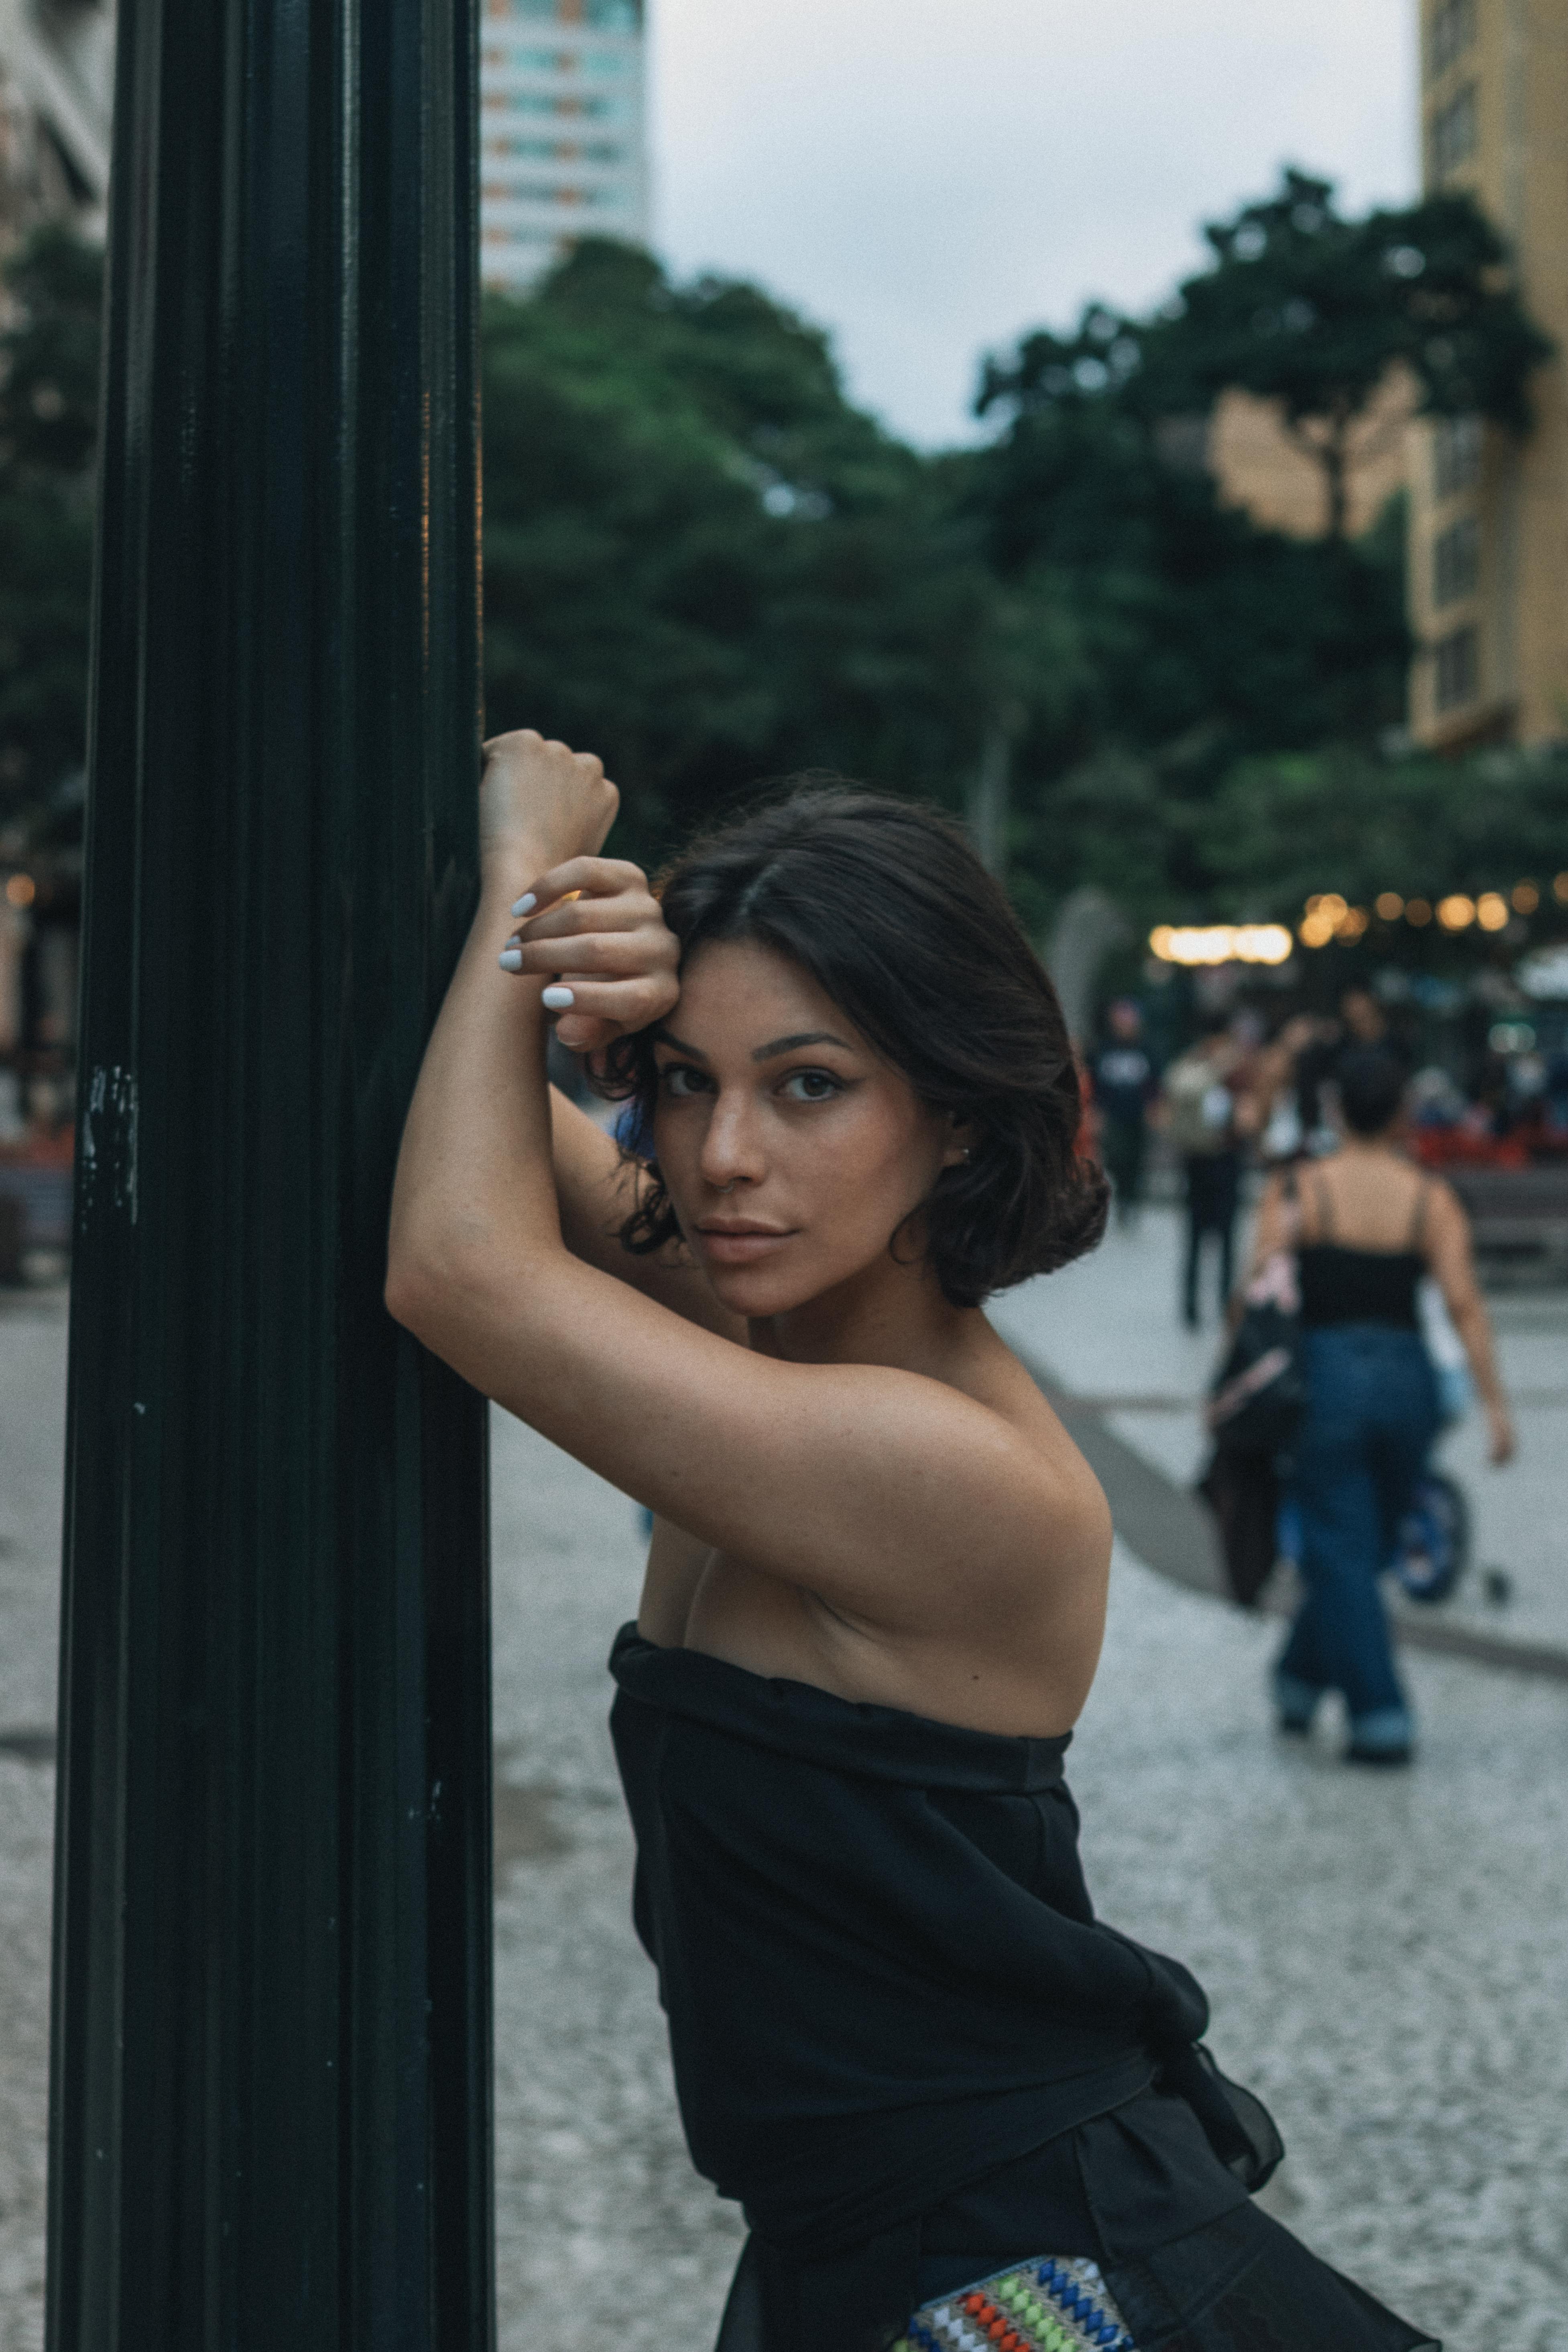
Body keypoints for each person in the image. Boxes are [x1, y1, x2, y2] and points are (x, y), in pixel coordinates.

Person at [387, 732, 1438, 2352]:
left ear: (952, 1118)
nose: (726, 1154)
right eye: (689, 1082)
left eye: (808, 1084)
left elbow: (459, 1265)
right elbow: (474, 1134)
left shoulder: (938, 1465)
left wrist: (529, 875)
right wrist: (571, 989)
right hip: (863, 2249)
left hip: (1022, 2275)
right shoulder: (776, 1337)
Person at [1247, 1049, 1514, 1766]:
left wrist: (1228, 1383)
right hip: (1407, 1383)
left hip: (1326, 1379)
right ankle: (1306, 1685)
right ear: (1402, 1114)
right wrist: (1495, 1407)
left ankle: (1374, 1713)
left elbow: (1258, 1286)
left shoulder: (1300, 1187)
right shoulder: (1429, 1198)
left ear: (1335, 1110)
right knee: (1364, 1543)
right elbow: (1463, 1305)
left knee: (1341, 1544)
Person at [1160, 1021, 1246, 1328]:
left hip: (1226, 1162)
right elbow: (1176, 1092)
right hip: (1199, 1161)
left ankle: (1224, 1303)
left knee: (1225, 1239)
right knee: (1196, 1239)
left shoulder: (1239, 1072)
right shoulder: (1192, 1068)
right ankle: (1191, 1307)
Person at [1088, 1001, 1156, 1227]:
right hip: (1113, 1114)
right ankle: (1119, 1195)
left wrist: (1155, 1108)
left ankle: (1130, 1200)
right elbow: (1096, 1084)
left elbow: (1154, 1083)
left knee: (1135, 1159)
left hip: (1137, 1115)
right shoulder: (1103, 1049)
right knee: (1116, 1155)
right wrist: (1095, 1111)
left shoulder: (1146, 1049)